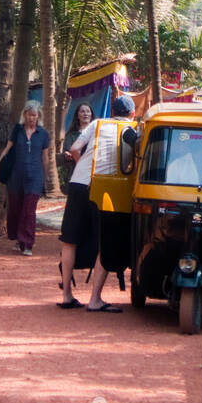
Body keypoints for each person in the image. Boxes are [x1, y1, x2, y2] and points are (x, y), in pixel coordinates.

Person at [58, 93, 136, 313]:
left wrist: (82, 165)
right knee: (106, 243)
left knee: (69, 240)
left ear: (112, 112)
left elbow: (74, 149)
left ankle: (66, 296)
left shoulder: (97, 124)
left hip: (78, 184)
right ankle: (94, 299)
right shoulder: (133, 129)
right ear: (131, 114)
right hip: (108, 189)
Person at [0, 102, 49, 256]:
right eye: (29, 115)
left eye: (35, 115)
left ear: (38, 117)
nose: (32, 118)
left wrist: (45, 177)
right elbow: (6, 150)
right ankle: (18, 239)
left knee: (29, 211)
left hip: (35, 177)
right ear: (24, 115)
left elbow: (45, 158)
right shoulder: (17, 131)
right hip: (16, 176)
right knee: (15, 209)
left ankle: (28, 244)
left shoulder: (43, 134)